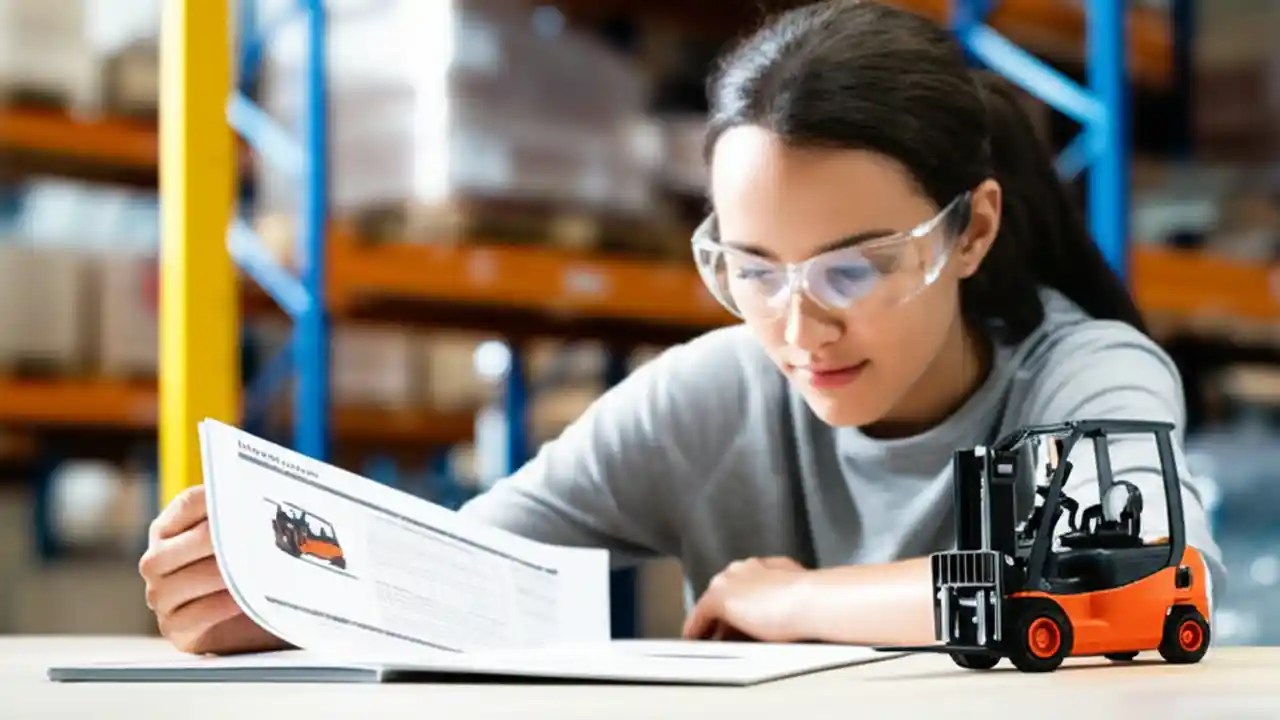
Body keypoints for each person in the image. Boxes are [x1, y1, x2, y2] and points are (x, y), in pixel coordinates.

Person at [139, 0, 1224, 654]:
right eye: (749, 270)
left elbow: (1131, 588)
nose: (798, 328)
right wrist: (283, 587)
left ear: (969, 231)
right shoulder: (715, 393)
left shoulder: (1079, 376)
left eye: (853, 268)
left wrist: (799, 602)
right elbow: (461, 567)